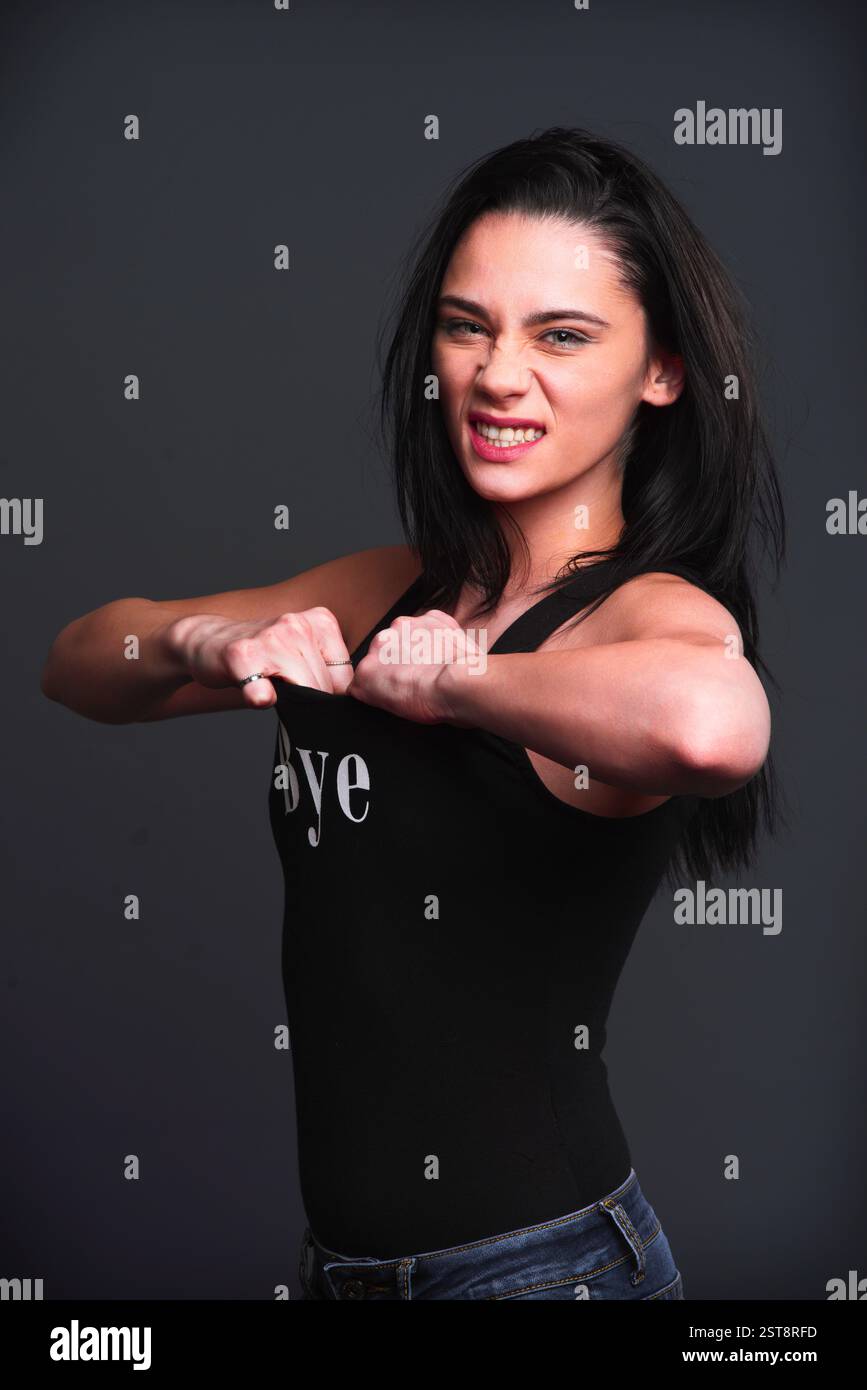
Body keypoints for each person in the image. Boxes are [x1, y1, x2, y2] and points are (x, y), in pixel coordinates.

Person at [41, 126, 785, 1301]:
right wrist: (203, 639)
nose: (499, 373)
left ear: (664, 370)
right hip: (344, 1273)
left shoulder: (642, 611)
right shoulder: (387, 586)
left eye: (563, 335)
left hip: (545, 1272)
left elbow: (715, 724)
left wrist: (459, 683)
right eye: (467, 324)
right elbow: (80, 663)